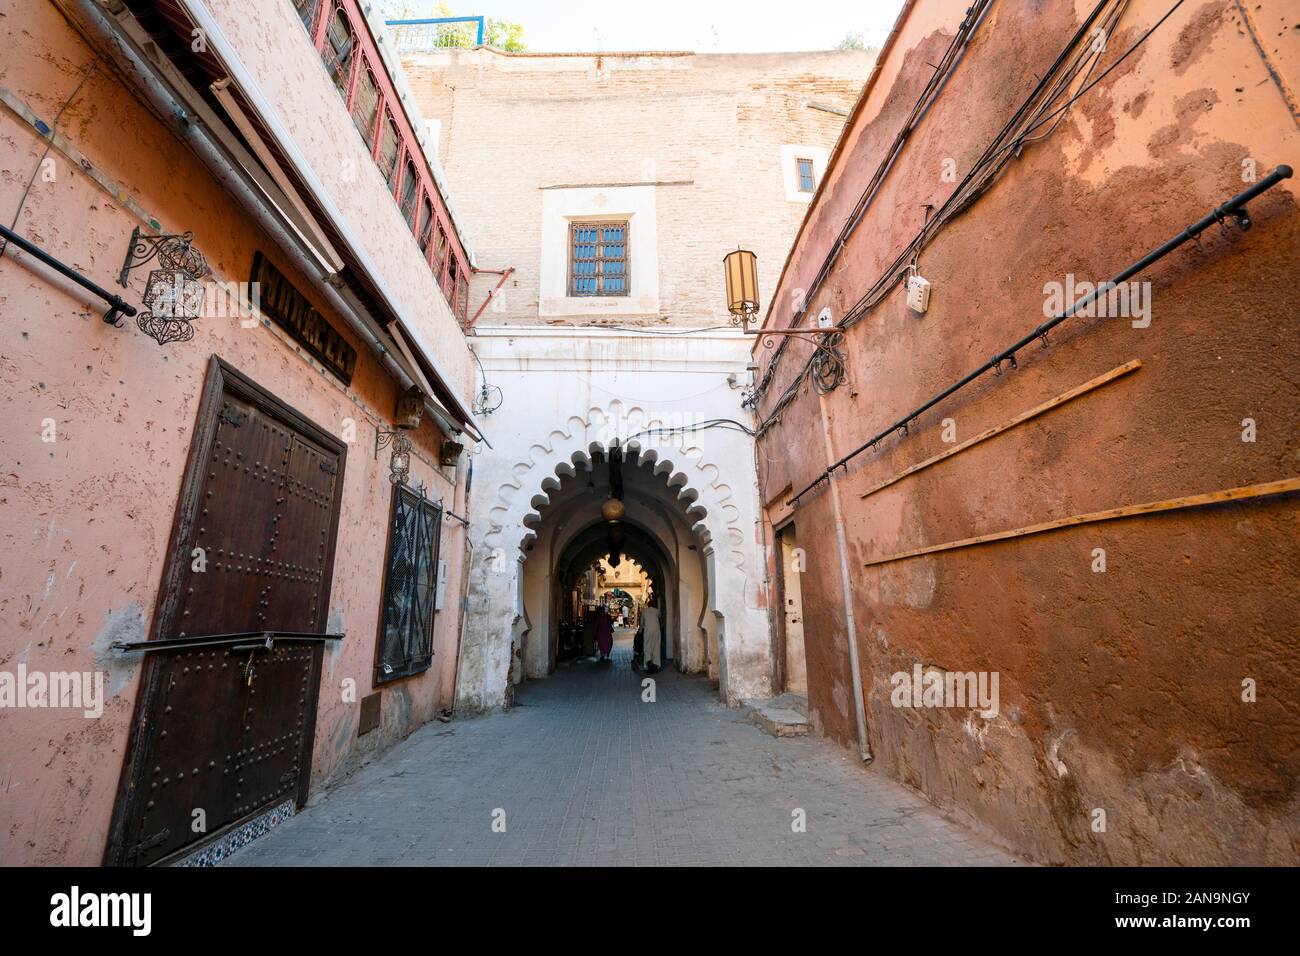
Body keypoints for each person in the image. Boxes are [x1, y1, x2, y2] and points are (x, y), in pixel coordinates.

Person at [640, 594, 662, 675]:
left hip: (647, 631)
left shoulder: (644, 611)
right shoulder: (657, 611)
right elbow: (659, 618)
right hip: (656, 630)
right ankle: (656, 665)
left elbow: (642, 623)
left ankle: (648, 663)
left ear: (648, 605)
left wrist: (639, 631)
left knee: (646, 647)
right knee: (656, 647)